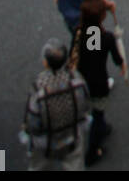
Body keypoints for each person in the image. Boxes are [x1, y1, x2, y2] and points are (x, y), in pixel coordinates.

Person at [72, 0, 126, 167]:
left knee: (89, 109)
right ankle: (93, 151)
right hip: (98, 83)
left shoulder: (79, 33)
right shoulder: (106, 38)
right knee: (98, 112)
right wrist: (122, 67)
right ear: (102, 17)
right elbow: (118, 59)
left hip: (81, 79)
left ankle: (100, 126)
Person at [21, 40, 90, 172]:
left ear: (45, 62)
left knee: (39, 166)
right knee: (75, 163)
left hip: (46, 140)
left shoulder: (39, 88)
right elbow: (84, 105)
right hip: (71, 134)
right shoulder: (76, 80)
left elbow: (33, 121)